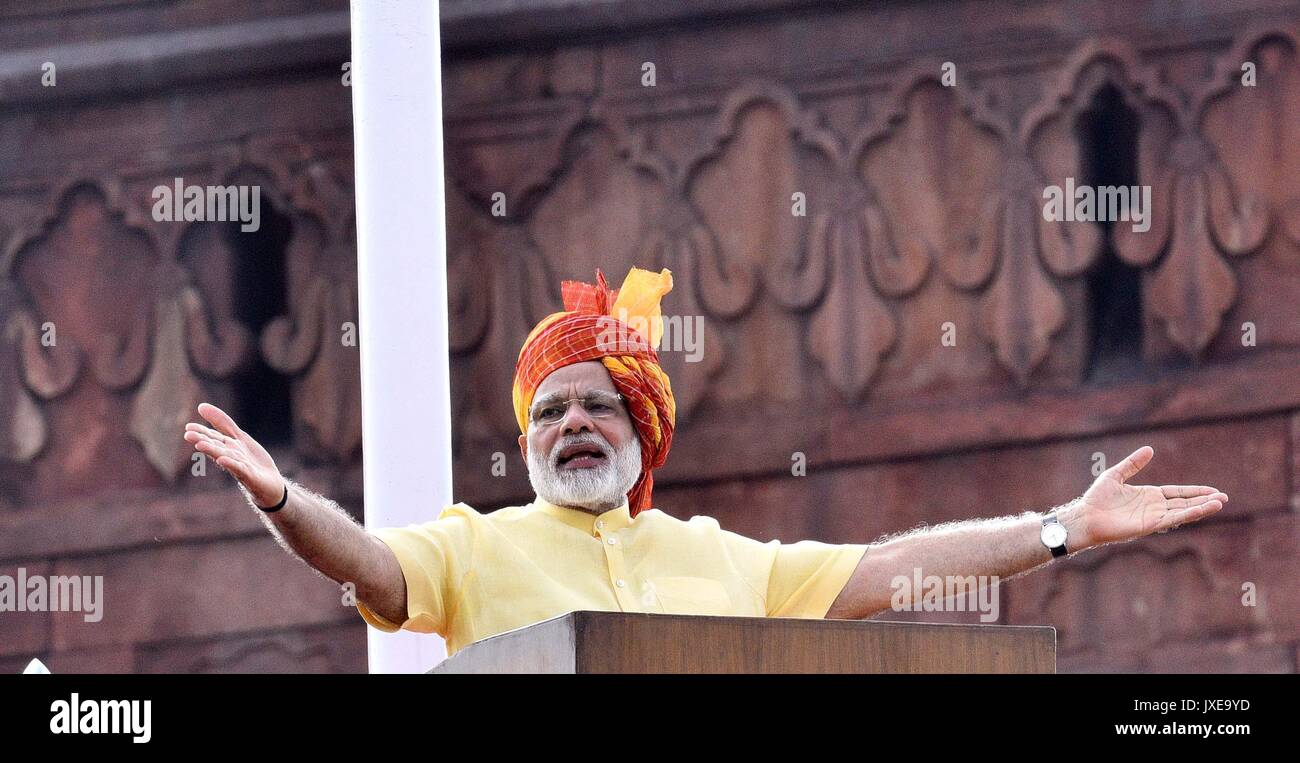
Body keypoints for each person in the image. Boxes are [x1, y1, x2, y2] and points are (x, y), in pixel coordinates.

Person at [183, 265, 1228, 658]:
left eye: (599, 403)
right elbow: (364, 562)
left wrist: (1062, 528)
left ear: (642, 434)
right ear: (527, 440)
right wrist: (279, 496)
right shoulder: (470, 547)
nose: (574, 422)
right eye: (550, 411)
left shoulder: (728, 563)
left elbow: (889, 570)